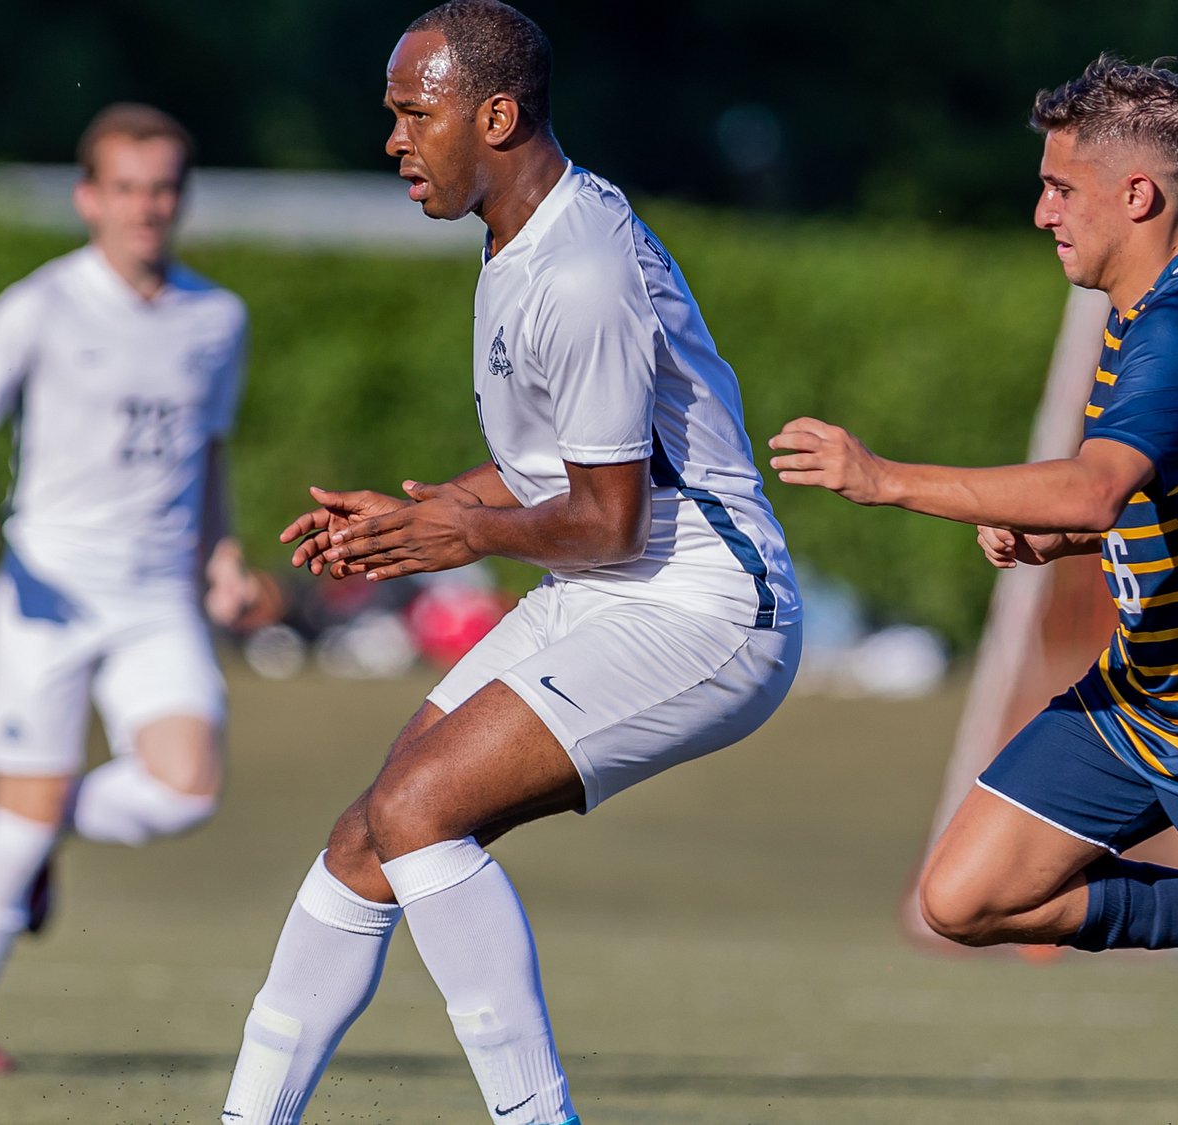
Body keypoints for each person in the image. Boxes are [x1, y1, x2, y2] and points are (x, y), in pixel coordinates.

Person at [218, 4, 802, 1122]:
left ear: (493, 115)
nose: (392, 138)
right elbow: (545, 469)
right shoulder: (515, 237)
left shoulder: (577, 267)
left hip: (711, 608)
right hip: (609, 587)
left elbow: (609, 519)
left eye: (411, 113)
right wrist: (423, 511)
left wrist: (462, 534)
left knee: (422, 810)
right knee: (369, 835)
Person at [770, 55, 1178, 1125]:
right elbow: (1162, 501)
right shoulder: (1138, 313)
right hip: (1144, 699)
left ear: (1134, 195)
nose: (1040, 209)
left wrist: (884, 479)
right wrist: (1051, 540)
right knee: (962, 898)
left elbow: (1098, 490)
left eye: (1059, 187)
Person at [0, 102, 260, 1074]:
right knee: (13, 824)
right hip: (47, 594)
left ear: (180, 199)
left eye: (162, 189)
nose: (146, 208)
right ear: (88, 198)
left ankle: (45, 827)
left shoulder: (215, 319)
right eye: (126, 189)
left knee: (187, 791)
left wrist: (220, 561)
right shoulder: (41, 305)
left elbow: (208, 458)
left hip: (153, 599)